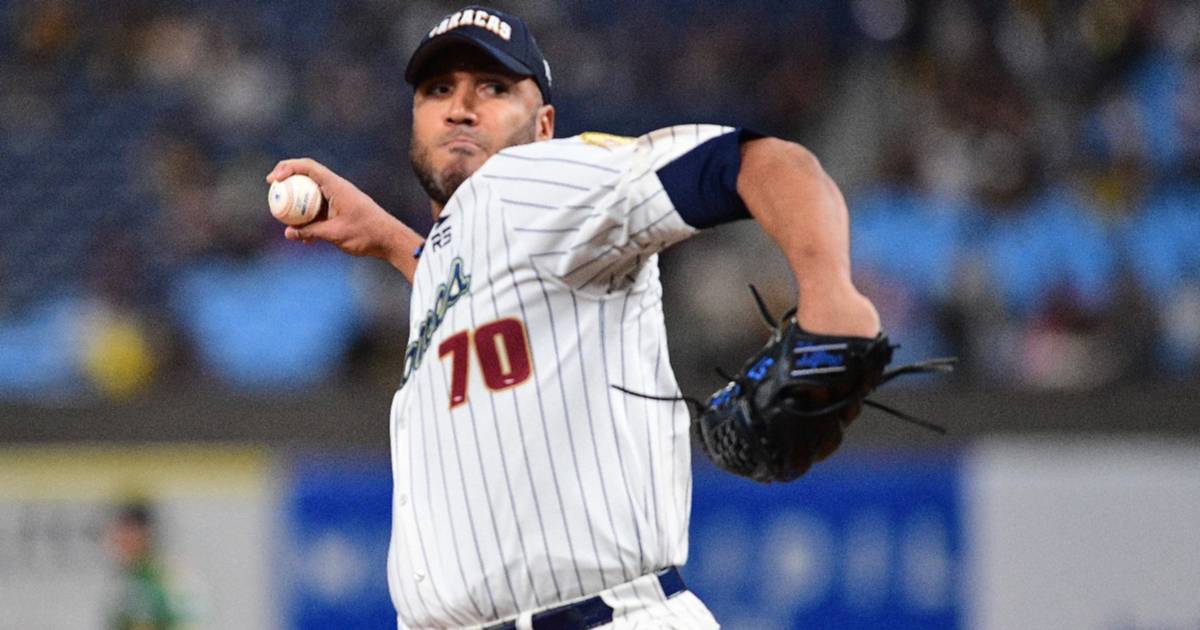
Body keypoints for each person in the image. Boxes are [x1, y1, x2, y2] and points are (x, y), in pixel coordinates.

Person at [266, 5, 880, 628]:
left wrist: (832, 295)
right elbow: (482, 288)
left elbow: (764, 163)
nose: (460, 106)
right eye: (438, 89)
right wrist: (394, 242)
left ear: (543, 126)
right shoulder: (464, 249)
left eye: (495, 88)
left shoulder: (538, 179)